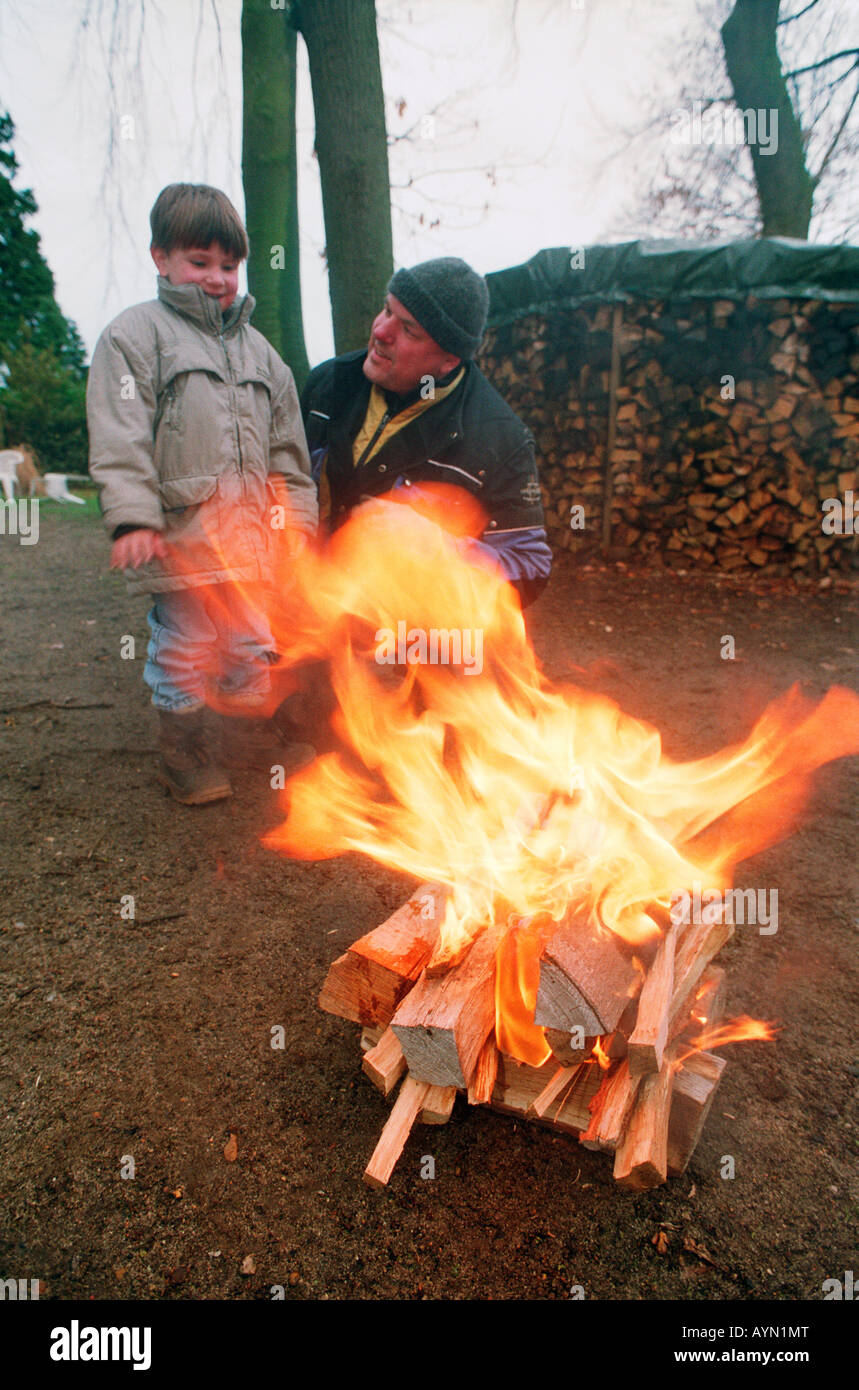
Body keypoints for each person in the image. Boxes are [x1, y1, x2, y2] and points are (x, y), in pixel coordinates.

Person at [87, 183, 318, 805]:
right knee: (185, 645)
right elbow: (121, 436)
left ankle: (246, 737)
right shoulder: (134, 338)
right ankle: (182, 750)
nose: (217, 278)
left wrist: (295, 522)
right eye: (199, 262)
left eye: (228, 265)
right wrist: (134, 517)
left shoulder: (263, 356)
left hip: (251, 541)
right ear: (161, 258)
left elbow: (288, 454)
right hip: (184, 537)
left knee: (251, 640)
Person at [301, 256, 552, 608]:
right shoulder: (327, 384)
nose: (380, 331)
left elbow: (530, 567)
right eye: (386, 310)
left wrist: (438, 548)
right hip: (308, 624)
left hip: (408, 645)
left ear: (449, 360)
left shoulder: (500, 440)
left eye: (408, 329)